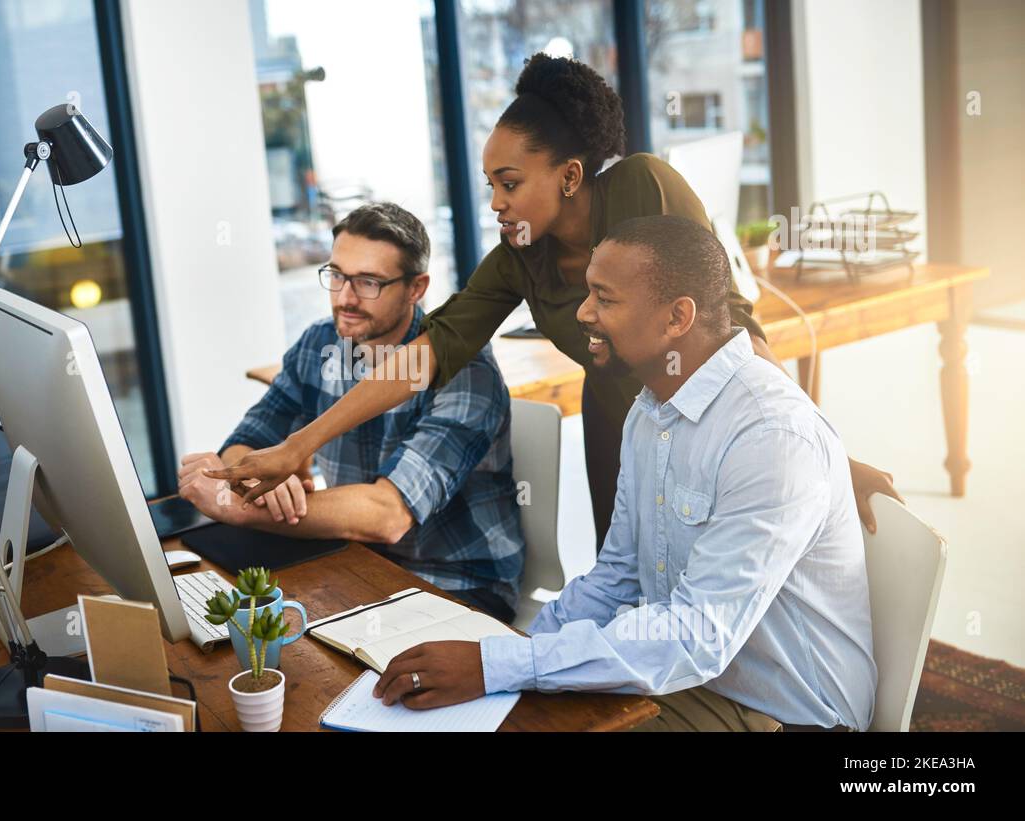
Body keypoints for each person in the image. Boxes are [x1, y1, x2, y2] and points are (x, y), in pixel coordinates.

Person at [206, 53, 901, 548]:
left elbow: (731, 334)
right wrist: (297, 444)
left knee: (728, 582)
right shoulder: (519, 258)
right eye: (489, 185)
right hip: (622, 420)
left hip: (716, 412)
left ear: (570, 176)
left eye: (509, 182)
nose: (496, 202)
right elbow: (422, 358)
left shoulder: (640, 188)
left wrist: (825, 452)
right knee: (628, 586)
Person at [370, 216, 877, 732]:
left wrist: (500, 667)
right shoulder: (651, 409)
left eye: (605, 299)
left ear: (678, 317)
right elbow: (617, 578)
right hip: (685, 678)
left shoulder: (771, 437)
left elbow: (698, 635)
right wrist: (514, 654)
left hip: (787, 714)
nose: (583, 313)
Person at [178, 203, 525, 624]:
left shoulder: (465, 371)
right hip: (349, 558)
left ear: (416, 288)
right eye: (337, 275)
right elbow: (248, 439)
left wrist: (240, 508)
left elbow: (387, 515)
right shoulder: (319, 343)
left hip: (454, 584)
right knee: (226, 628)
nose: (345, 297)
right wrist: (254, 481)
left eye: (368, 282)